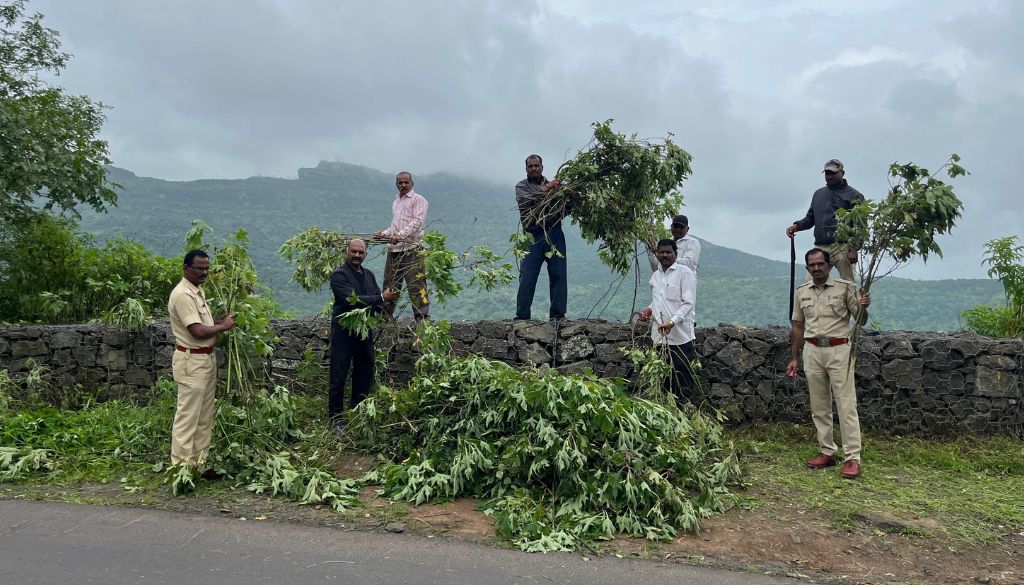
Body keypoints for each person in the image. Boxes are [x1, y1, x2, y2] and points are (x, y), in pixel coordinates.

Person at [786, 248, 870, 480]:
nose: (816, 269)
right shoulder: (802, 292)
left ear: (829, 265)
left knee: (845, 404)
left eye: (820, 264)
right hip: (812, 350)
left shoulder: (844, 287)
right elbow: (797, 325)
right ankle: (827, 450)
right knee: (819, 405)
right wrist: (794, 356)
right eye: (812, 265)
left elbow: (860, 320)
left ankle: (852, 457)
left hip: (839, 349)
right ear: (808, 268)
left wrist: (863, 305)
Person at [167, 249, 235, 473]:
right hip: (191, 360)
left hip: (205, 359)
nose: (205, 272)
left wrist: (219, 321)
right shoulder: (183, 295)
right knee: (188, 416)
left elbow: (202, 322)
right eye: (200, 269)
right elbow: (197, 331)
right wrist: (222, 327)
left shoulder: (196, 291)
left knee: (204, 416)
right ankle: (181, 468)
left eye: (207, 268)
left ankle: (198, 464)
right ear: (186, 268)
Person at [328, 239, 397, 429]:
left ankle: (357, 412)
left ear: (365, 255)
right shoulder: (338, 275)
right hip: (343, 331)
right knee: (338, 374)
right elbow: (352, 300)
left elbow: (375, 301)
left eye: (361, 252)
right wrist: (381, 297)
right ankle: (336, 419)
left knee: (364, 372)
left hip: (364, 331)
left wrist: (386, 305)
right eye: (354, 252)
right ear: (346, 252)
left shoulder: (369, 275)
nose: (357, 255)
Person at [786, 159, 864, 282]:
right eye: (827, 173)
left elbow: (859, 226)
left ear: (842, 173)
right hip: (821, 246)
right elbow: (810, 218)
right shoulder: (818, 194)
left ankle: (853, 302)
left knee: (849, 283)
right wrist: (797, 226)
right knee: (810, 283)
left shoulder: (855, 196)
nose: (829, 176)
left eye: (833, 173)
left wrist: (854, 249)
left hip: (843, 246)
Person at [638, 239, 697, 400]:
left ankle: (683, 411)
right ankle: (665, 408)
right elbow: (657, 301)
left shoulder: (685, 274)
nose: (664, 255)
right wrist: (649, 311)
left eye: (668, 252)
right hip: (659, 336)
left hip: (680, 336)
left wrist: (672, 322)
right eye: (661, 252)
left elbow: (688, 304)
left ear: (675, 254)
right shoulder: (656, 275)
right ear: (657, 254)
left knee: (681, 375)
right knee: (663, 375)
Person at [515, 154, 568, 321]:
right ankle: (522, 317)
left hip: (554, 234)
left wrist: (568, 195)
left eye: (536, 166)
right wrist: (548, 188)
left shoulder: (555, 186)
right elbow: (528, 200)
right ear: (526, 169)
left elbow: (565, 208)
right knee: (527, 276)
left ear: (542, 167)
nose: (533, 169)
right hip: (532, 236)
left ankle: (558, 317)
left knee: (559, 275)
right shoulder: (521, 187)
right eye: (530, 166)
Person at [373, 171, 429, 321]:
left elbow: (417, 222)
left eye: (406, 182)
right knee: (390, 286)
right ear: (396, 184)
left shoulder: (419, 200)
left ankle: (422, 319)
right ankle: (384, 318)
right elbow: (394, 227)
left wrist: (400, 236)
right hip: (394, 251)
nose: (403, 185)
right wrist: (384, 234)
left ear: (412, 184)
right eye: (400, 183)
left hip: (413, 250)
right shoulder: (396, 201)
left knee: (416, 286)